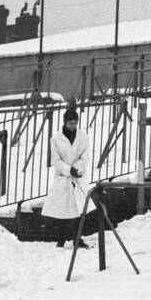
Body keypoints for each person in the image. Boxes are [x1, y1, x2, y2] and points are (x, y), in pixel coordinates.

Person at [42, 105, 91, 247]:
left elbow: (85, 157)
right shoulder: (56, 138)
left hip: (78, 177)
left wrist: (77, 168)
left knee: (77, 209)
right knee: (62, 209)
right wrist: (68, 170)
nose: (73, 125)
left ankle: (77, 238)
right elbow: (55, 159)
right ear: (65, 122)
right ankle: (61, 238)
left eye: (75, 122)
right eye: (70, 123)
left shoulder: (83, 137)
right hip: (63, 177)